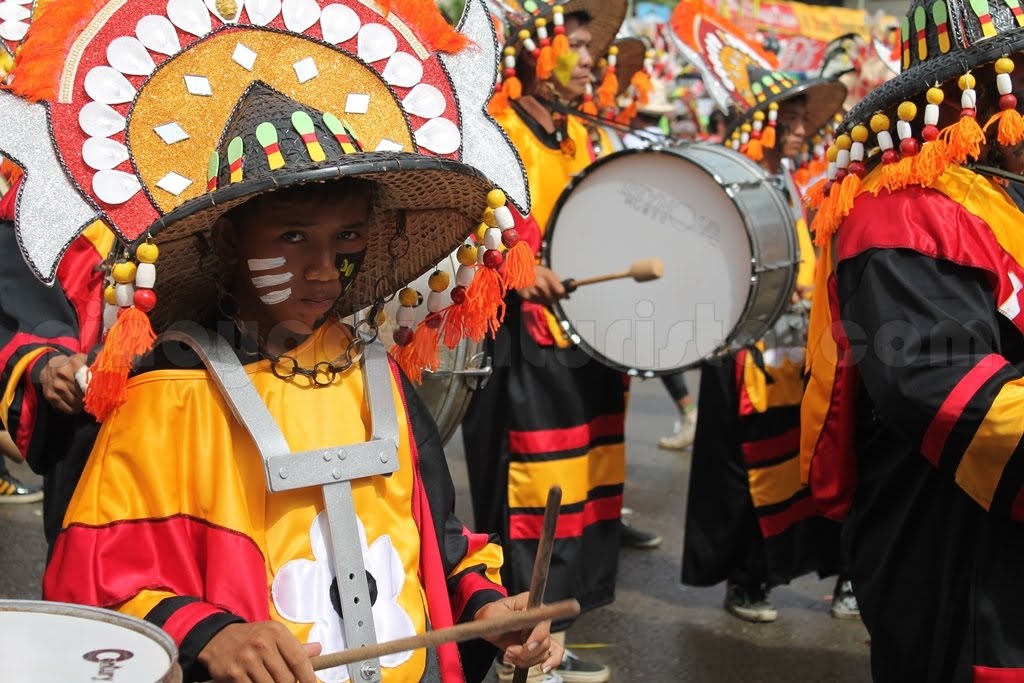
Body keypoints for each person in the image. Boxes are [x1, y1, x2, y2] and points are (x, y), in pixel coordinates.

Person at [7, 2, 563, 681]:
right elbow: (97, 578)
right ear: (228, 240)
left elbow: (436, 537)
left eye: (347, 238)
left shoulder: (374, 371)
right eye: (293, 237)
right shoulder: (171, 388)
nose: (324, 269)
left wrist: (487, 607)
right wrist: (211, 634)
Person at [801, 0, 1024, 675]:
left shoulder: (1002, 192)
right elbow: (938, 385)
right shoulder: (901, 211)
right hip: (954, 547)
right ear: (976, 91)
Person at [465, 2, 635, 681]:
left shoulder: (580, 136)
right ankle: (519, 647)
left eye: (592, 50)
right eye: (579, 47)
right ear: (537, 53)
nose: (592, 60)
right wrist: (516, 268)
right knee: (532, 490)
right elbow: (466, 225)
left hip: (587, 337)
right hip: (521, 342)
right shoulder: (497, 131)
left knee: (583, 482)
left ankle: (553, 637)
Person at [669, 0, 851, 623]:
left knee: (792, 464)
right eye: (789, 120)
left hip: (793, 349)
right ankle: (746, 578)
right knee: (744, 471)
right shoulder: (731, 180)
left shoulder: (792, 180)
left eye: (802, 120)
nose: (800, 130)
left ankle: (773, 573)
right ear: (764, 122)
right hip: (742, 350)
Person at [0, 162, 112, 531]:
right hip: (90, 443)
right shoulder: (49, 184)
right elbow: (16, 305)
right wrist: (47, 364)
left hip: (206, 434)